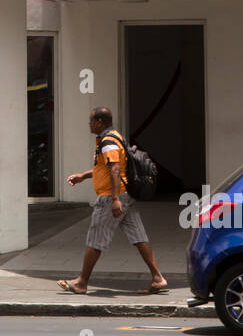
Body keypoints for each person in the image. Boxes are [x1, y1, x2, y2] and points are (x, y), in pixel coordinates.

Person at [57, 107, 168, 295]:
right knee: (139, 236)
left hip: (112, 196)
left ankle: (82, 282)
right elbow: (105, 168)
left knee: (95, 238)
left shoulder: (108, 141)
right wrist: (83, 176)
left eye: (91, 121)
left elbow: (115, 170)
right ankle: (158, 278)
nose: (89, 124)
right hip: (125, 196)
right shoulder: (115, 136)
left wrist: (115, 200)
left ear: (100, 122)